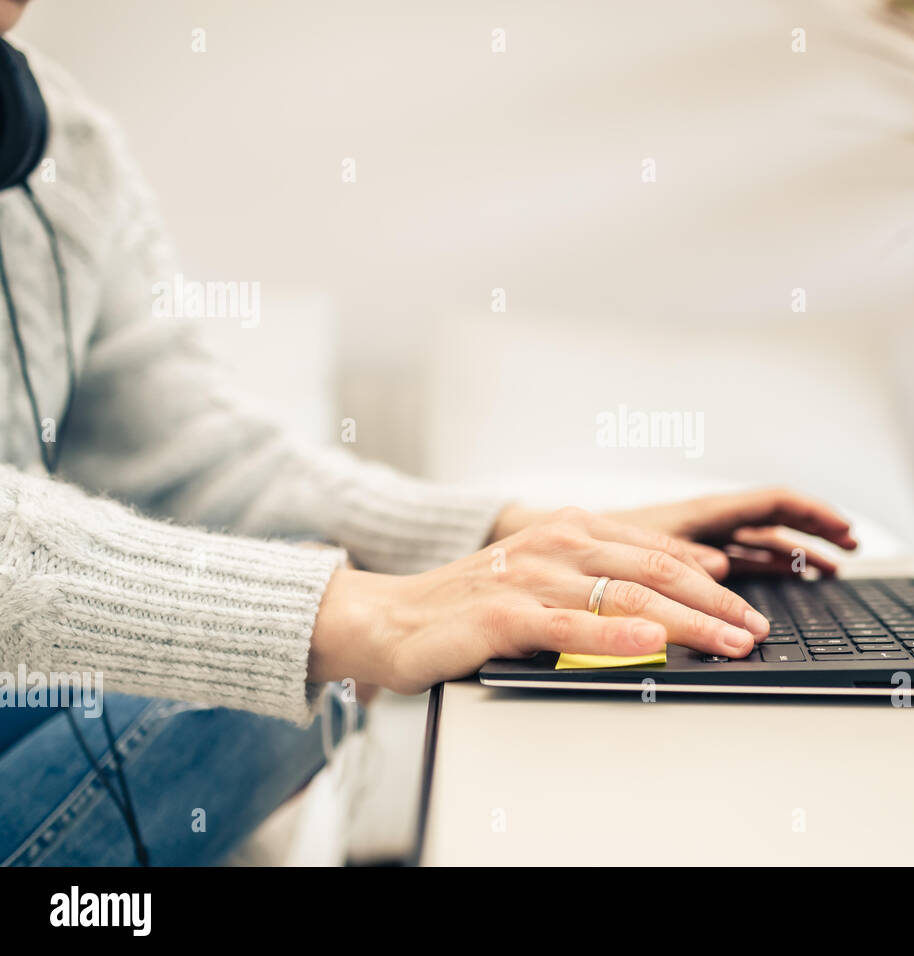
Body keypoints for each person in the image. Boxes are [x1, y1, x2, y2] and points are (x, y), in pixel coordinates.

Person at [0, 2, 856, 865]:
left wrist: (506, 538)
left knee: (288, 642)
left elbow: (196, 453)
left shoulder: (60, 144)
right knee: (287, 662)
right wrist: (352, 613)